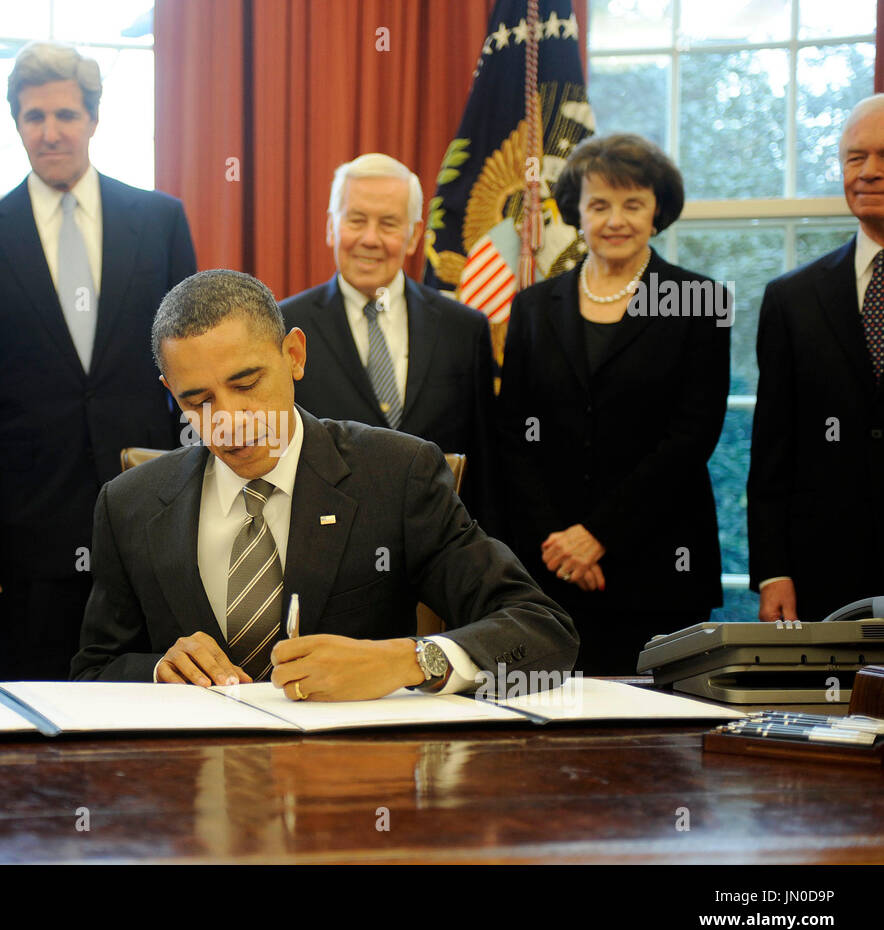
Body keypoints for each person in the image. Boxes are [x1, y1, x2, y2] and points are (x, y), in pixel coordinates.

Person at [70, 269, 578, 700]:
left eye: (247, 384)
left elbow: (542, 631)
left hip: (351, 787)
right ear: (170, 393)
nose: (227, 419)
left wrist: (409, 661)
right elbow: (92, 671)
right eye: (197, 400)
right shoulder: (128, 503)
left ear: (294, 354)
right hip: (195, 789)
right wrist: (158, 670)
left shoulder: (396, 475)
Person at [0, 41, 197, 681]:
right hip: (26, 531)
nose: (50, 132)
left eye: (65, 115)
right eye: (34, 117)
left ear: (93, 119)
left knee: (149, 713)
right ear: (17, 123)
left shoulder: (160, 221)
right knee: (31, 726)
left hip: (153, 513)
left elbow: (196, 378)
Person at [497, 133, 730, 676]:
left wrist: (599, 535)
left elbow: (692, 436)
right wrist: (559, 543)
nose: (616, 219)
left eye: (633, 203)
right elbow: (514, 433)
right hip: (551, 567)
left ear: (658, 211)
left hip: (660, 565)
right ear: (577, 212)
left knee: (660, 747)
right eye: (599, 204)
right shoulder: (534, 306)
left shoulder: (700, 301)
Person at [279, 153, 497, 529]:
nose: (370, 239)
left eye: (389, 224)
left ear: (414, 235)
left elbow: (487, 462)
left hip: (438, 546)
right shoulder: (283, 326)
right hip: (323, 543)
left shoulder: (464, 328)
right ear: (332, 227)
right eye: (356, 219)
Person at [749, 94, 884, 623]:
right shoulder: (791, 297)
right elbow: (771, 449)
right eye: (855, 158)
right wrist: (772, 570)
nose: (869, 172)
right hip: (822, 578)